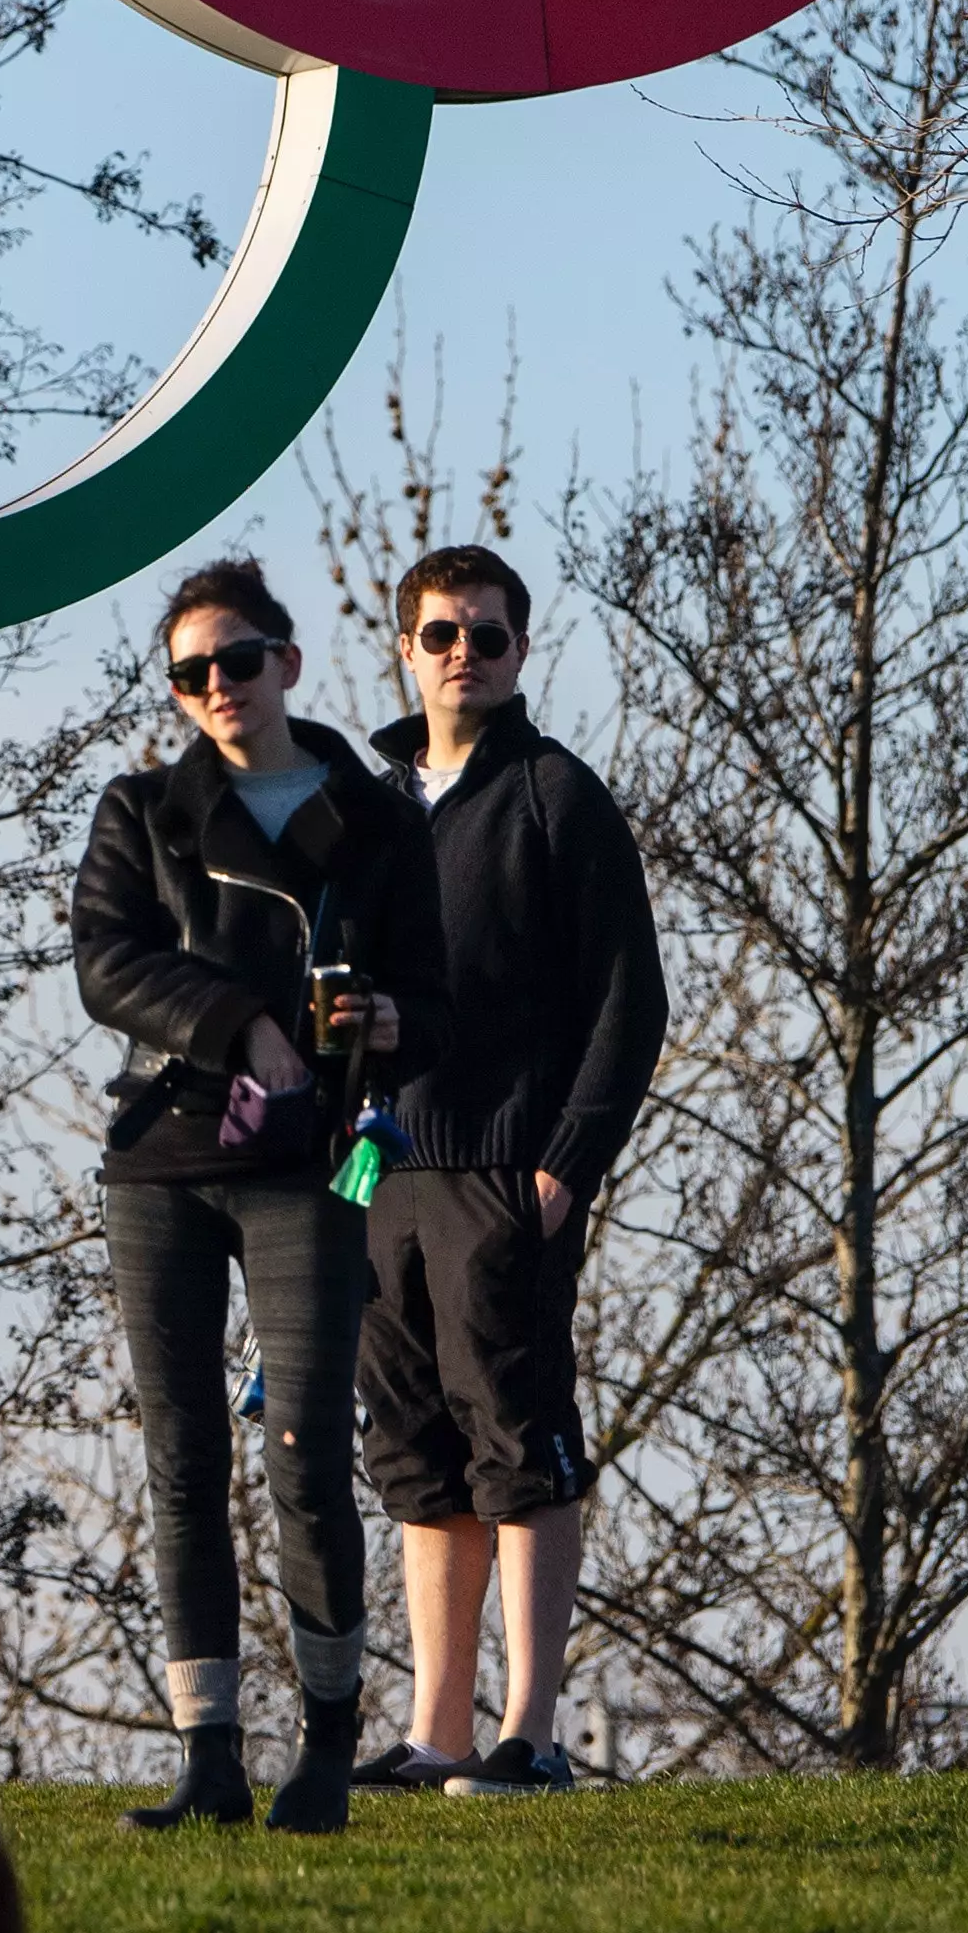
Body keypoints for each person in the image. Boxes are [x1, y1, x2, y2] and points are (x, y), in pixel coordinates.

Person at [65, 556, 439, 1833]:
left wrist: (392, 1019)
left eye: (236, 659)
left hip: (316, 1165)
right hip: (165, 1158)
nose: (216, 686)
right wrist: (239, 1025)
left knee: (305, 1454)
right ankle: (208, 1754)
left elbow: (441, 991)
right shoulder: (142, 811)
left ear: (288, 660)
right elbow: (106, 965)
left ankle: (327, 1750)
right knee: (180, 1456)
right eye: (189, 672)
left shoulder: (378, 819)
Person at [353, 542, 665, 1794]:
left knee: (518, 1441)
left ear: (520, 650)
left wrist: (566, 1163)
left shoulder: (558, 796)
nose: (462, 655)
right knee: (416, 1451)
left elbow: (630, 1002)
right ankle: (438, 1734)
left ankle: (529, 1736)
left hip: (505, 1171)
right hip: (379, 1173)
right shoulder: (362, 803)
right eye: (441, 634)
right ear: (406, 648)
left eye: (486, 634)